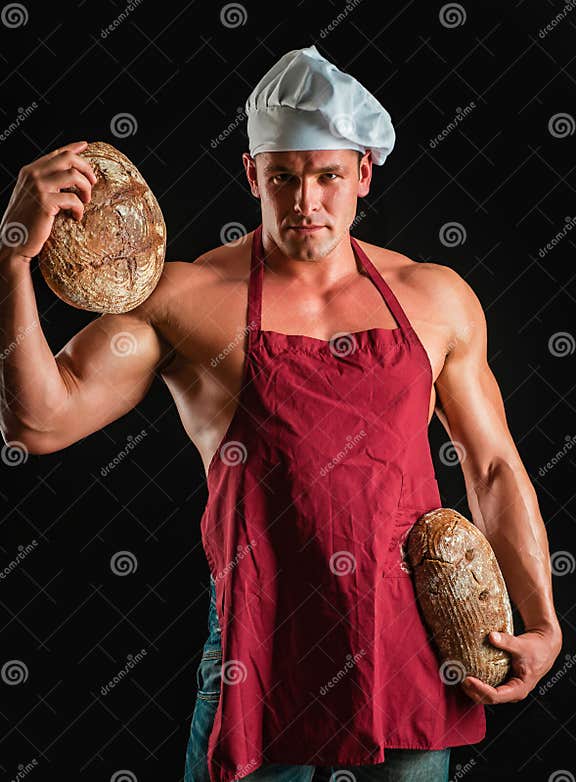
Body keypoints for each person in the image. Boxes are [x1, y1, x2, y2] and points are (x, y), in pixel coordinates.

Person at [0, 45, 562, 782]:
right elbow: (38, 421)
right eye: (284, 178)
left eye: (329, 176)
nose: (306, 203)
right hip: (256, 653)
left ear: (363, 173)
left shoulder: (436, 299)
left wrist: (543, 620)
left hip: (410, 645)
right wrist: (11, 260)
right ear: (251, 175)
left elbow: (491, 466)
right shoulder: (187, 297)